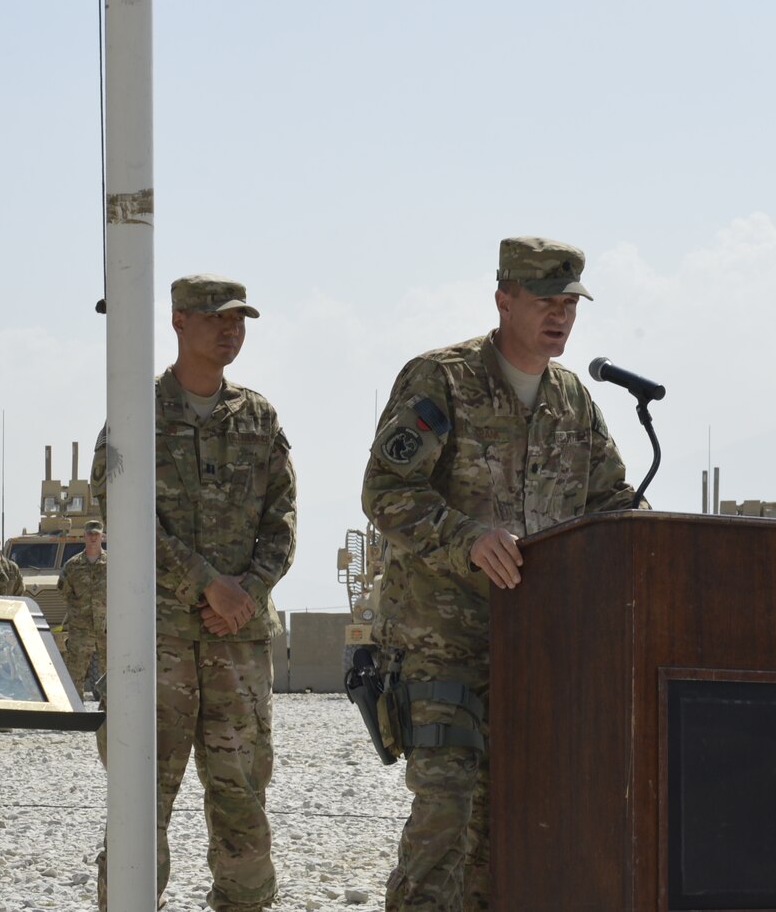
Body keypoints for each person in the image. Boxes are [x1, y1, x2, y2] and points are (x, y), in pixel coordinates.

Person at [362, 237, 640, 912]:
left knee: (514, 832)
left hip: (535, 650)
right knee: (446, 820)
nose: (561, 315)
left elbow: (612, 504)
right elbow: (386, 490)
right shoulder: (441, 381)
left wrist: (652, 543)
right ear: (503, 299)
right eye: (545, 301)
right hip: (440, 647)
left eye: (570, 302)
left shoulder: (574, 402)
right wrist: (467, 538)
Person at [95, 275, 296, 912]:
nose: (231, 330)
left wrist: (247, 593)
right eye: (217, 318)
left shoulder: (259, 417)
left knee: (241, 795)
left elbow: (282, 519)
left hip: (237, 642)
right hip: (155, 643)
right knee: (141, 796)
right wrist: (207, 583)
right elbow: (124, 517)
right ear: (179, 321)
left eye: (239, 320)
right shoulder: (136, 414)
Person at [56, 521, 107, 699]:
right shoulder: (72, 566)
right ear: (84, 536)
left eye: (96, 534)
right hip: (80, 628)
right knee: (75, 673)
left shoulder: (113, 564)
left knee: (111, 672)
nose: (93, 537)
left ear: (103, 537)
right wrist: (78, 611)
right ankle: (74, 713)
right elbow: (64, 592)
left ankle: (111, 712)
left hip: (106, 628)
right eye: (90, 534)